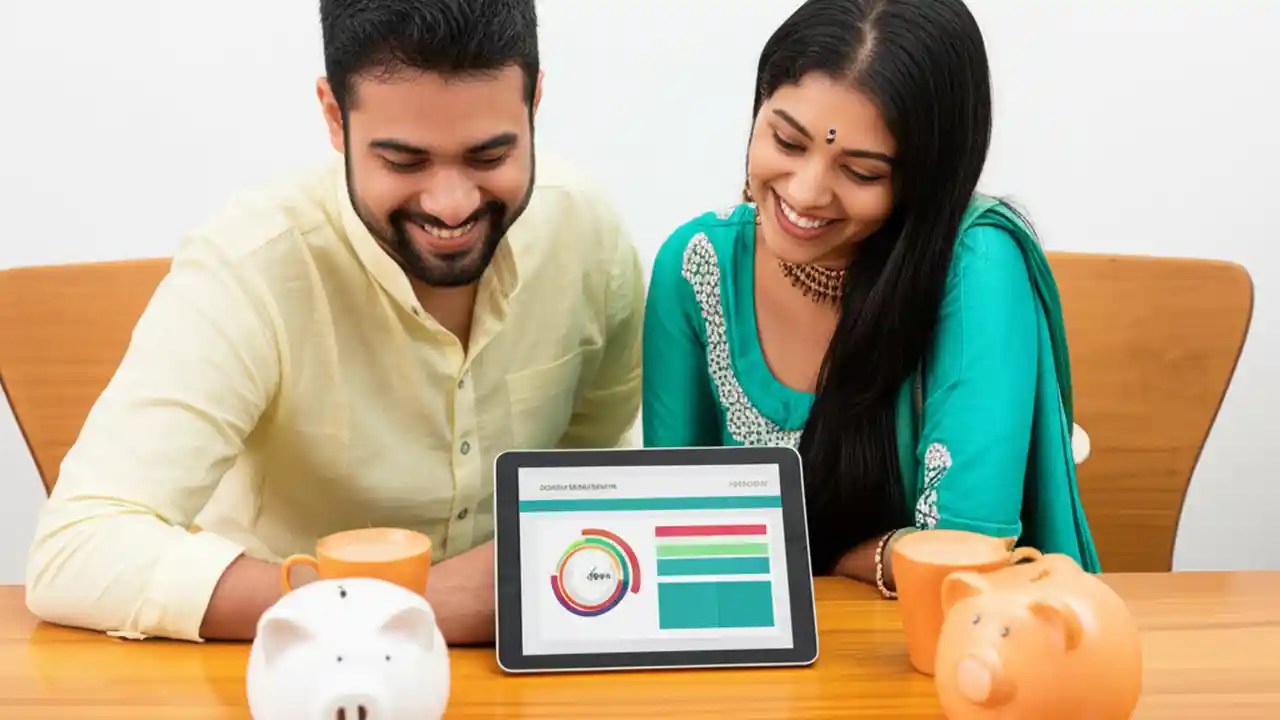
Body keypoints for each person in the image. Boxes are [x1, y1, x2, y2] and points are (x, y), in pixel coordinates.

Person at [25, 0, 644, 644]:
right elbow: (77, 548)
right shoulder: (253, 265)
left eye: (489, 156)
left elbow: (593, 483)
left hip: (516, 676)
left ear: (534, 103)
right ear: (333, 117)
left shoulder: (588, 241)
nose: (452, 204)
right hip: (282, 673)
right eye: (404, 162)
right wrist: (410, 606)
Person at [641, 0, 1099, 595]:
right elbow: (673, 535)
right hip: (746, 653)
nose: (806, 193)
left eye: (860, 173)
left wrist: (819, 559)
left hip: (947, 659)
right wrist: (881, 553)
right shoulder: (697, 263)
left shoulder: (976, 265)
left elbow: (962, 558)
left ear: (924, 181)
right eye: (786, 140)